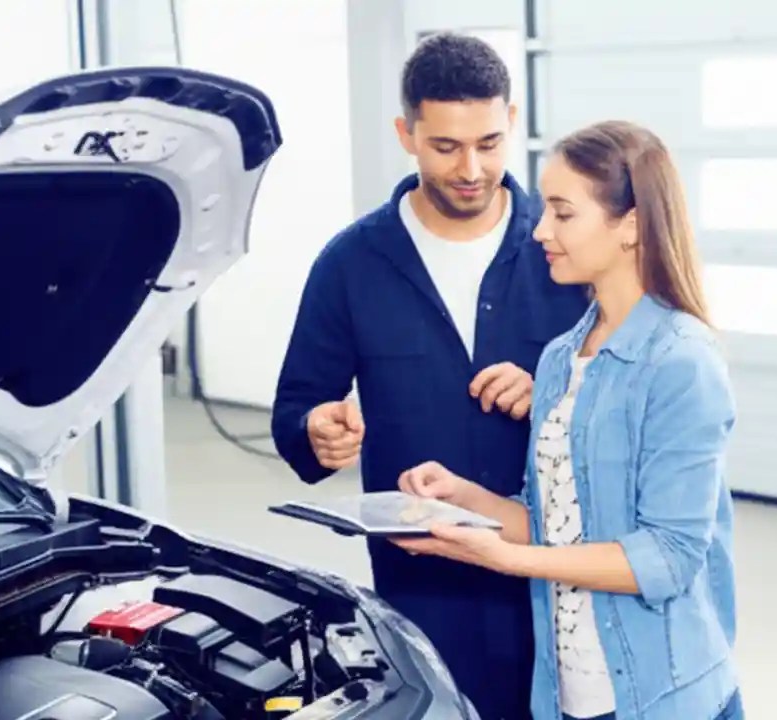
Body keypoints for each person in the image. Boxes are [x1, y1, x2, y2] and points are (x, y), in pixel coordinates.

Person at [270, 32, 590, 720]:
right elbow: (297, 408)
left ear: (511, 122)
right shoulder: (350, 264)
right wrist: (316, 432)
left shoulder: (565, 250)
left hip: (554, 577)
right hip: (422, 590)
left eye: (490, 142)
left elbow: (626, 402)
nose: (473, 168)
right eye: (446, 146)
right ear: (406, 134)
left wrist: (551, 395)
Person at [391, 120, 745, 720]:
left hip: (664, 698)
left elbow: (669, 556)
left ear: (630, 225)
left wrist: (503, 560)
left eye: (562, 213)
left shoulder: (681, 360)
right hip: (569, 697)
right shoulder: (559, 359)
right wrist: (464, 501)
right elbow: (553, 525)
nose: (540, 231)